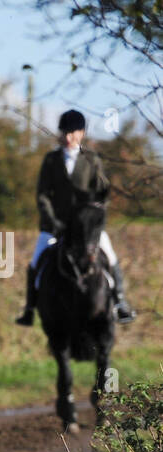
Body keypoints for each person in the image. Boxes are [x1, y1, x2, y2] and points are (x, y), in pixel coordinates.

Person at [17, 109, 136, 325]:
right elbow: (43, 195)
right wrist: (54, 221)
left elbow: (102, 194)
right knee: (36, 262)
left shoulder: (92, 159)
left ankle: (120, 302)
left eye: (72, 133)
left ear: (81, 133)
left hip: (87, 229)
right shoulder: (51, 160)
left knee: (110, 255)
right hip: (55, 227)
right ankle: (29, 308)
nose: (67, 137)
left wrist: (92, 220)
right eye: (64, 133)